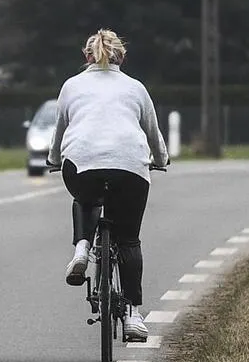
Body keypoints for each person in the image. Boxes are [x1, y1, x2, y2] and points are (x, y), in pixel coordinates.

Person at [46, 28, 169, 342]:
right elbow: (152, 132)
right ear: (122, 58)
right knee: (128, 240)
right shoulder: (136, 88)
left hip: (81, 165)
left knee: (85, 197)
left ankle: (82, 247)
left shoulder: (71, 86)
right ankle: (133, 317)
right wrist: (161, 159)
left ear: (87, 57)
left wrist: (54, 160)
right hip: (129, 166)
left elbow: (60, 132)